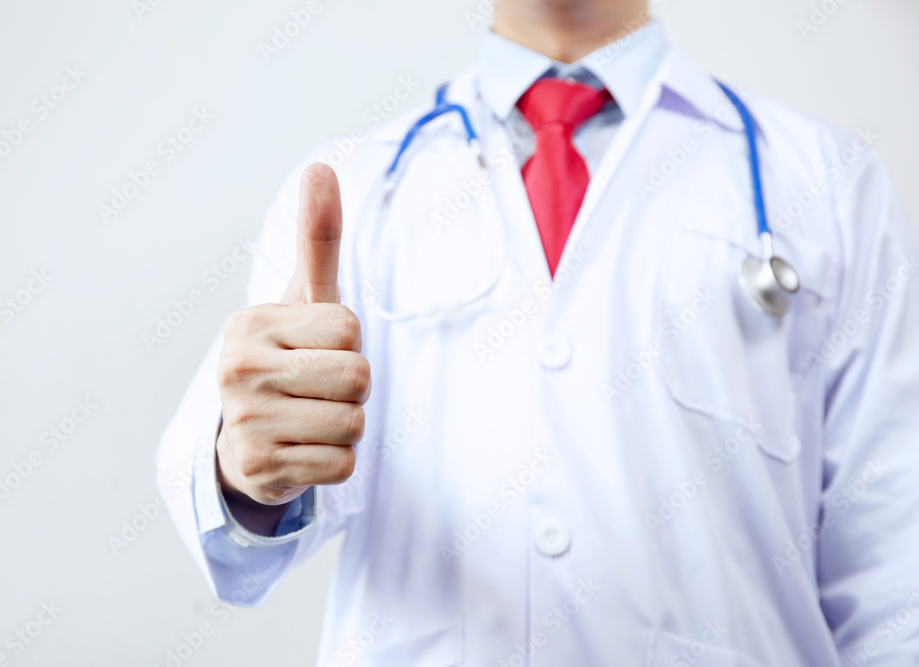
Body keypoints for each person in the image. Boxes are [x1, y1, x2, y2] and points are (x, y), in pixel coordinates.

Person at [157, 0, 919, 664]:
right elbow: (234, 538)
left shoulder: (827, 182)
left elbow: (896, 569)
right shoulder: (350, 188)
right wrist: (248, 471)